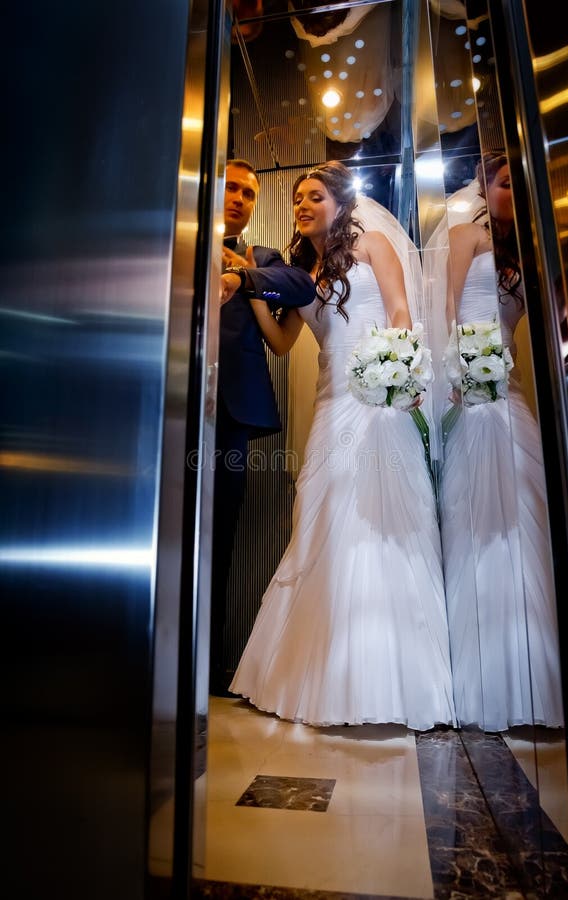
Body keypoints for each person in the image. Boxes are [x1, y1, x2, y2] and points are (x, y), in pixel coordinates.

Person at [228, 160, 456, 730]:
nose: (303, 205)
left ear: (340, 203)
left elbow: (401, 311)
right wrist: (256, 284)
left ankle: (392, 674)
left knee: (381, 525)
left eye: (315, 196)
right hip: (332, 408)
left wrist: (398, 371)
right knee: (321, 528)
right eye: (297, 198)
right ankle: (319, 673)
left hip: (379, 404)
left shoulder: (374, 243)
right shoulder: (301, 273)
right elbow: (281, 344)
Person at [440, 151, 564, 731]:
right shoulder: (465, 234)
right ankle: (481, 681)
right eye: (505, 183)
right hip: (468, 391)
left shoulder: (531, 250)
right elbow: (444, 307)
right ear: (484, 188)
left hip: (508, 392)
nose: (513, 193)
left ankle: (540, 677)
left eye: (520, 184)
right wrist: (454, 370)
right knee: (479, 524)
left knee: (527, 518)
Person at [210, 159, 316, 696]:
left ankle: (205, 669)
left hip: (230, 414)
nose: (237, 199)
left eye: (247, 194)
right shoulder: (178, 241)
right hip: (169, 407)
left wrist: (241, 273)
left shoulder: (263, 257)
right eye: (229, 188)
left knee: (220, 533)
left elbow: (299, 285)